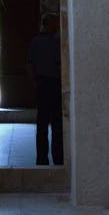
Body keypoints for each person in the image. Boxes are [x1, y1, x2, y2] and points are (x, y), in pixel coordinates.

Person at [27, 13, 63, 165]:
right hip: (54, 85)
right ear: (48, 24)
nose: (58, 26)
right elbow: (61, 65)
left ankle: (41, 159)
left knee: (42, 124)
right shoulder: (56, 43)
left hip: (41, 84)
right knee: (57, 125)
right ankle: (59, 158)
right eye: (55, 23)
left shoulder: (35, 42)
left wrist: (34, 83)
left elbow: (29, 65)